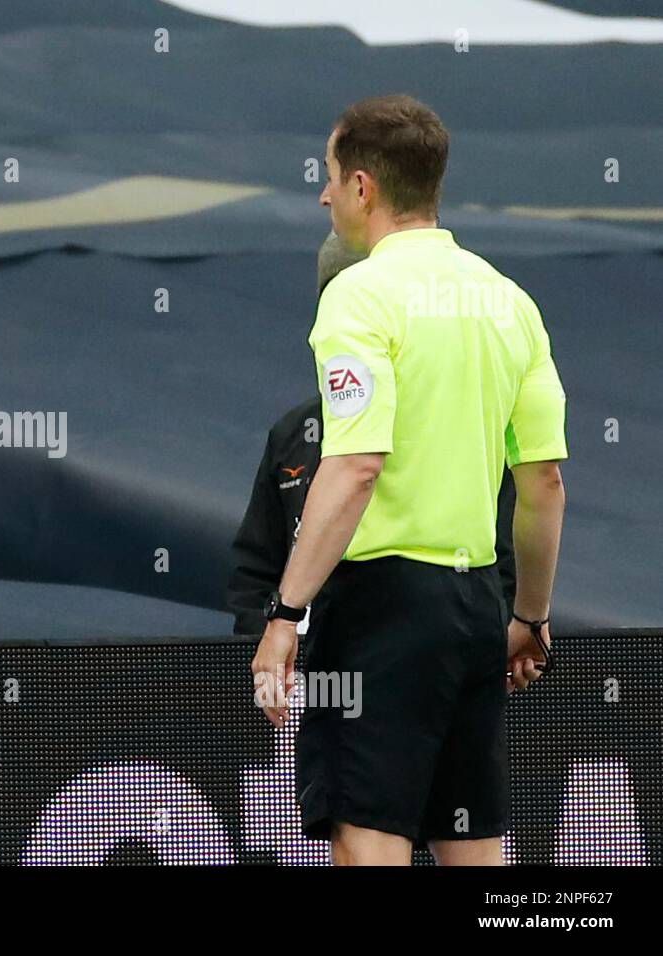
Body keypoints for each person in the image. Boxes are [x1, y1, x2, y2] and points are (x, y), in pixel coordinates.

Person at [249, 95, 567, 866]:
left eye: (329, 178)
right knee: (472, 846)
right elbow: (545, 484)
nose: (323, 195)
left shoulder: (358, 295)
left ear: (363, 187)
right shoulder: (509, 301)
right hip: (474, 605)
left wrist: (286, 612)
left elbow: (356, 464)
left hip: (382, 612)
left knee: (369, 842)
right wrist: (528, 615)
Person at [226, 233, 518, 635]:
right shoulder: (294, 434)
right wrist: (270, 641)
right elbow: (255, 568)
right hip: (305, 669)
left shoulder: (462, 433)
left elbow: (500, 566)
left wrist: (505, 630)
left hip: (410, 651)